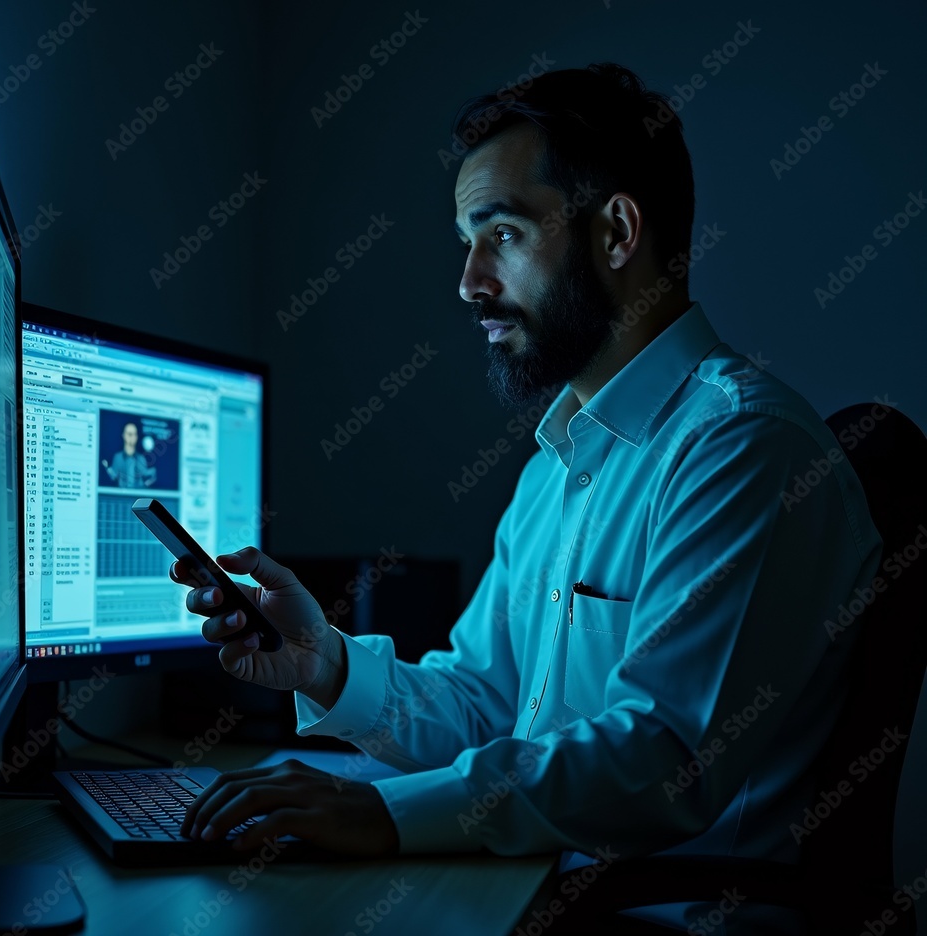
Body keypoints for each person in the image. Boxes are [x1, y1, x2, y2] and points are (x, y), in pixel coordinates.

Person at [174, 63, 881, 931]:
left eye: (500, 233)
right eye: (467, 243)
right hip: (554, 902)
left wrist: (382, 815)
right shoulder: (558, 459)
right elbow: (488, 703)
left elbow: (661, 759)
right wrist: (323, 662)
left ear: (617, 232)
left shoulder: (742, 448)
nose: (470, 282)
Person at [102, 420, 156, 488]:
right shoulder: (117, 457)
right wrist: (108, 468)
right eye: (129, 434)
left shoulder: (141, 458)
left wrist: (147, 481)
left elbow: (145, 476)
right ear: (123, 435)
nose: (132, 437)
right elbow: (114, 477)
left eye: (134, 434)